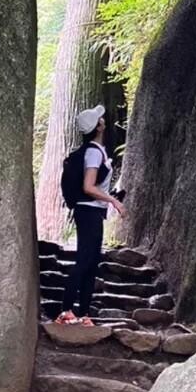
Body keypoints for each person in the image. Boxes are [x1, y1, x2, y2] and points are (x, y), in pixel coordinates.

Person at [56, 104, 124, 326]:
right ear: (99, 127)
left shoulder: (95, 150)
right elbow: (88, 186)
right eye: (100, 119)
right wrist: (113, 201)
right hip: (88, 211)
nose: (103, 120)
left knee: (91, 260)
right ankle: (66, 310)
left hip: (92, 211)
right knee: (85, 259)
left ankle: (84, 313)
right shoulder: (94, 152)